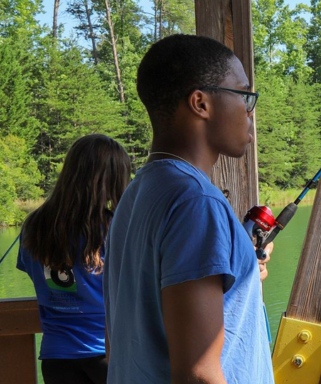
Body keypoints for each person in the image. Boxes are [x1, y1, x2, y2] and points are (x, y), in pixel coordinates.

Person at [104, 34, 273, 383]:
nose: (250, 110)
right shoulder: (195, 202)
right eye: (243, 95)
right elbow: (198, 374)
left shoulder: (139, 193)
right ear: (201, 103)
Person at [16, 134, 131, 384]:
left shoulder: (34, 225)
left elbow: (34, 273)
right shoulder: (115, 226)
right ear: (113, 179)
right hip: (109, 352)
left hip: (56, 357)